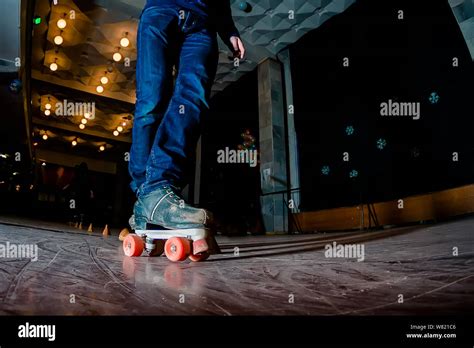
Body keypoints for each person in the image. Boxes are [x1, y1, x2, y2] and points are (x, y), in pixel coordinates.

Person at [128, 0, 245, 244]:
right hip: (161, 12)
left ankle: (160, 185)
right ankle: (145, 195)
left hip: (203, 25)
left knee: (193, 99)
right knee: (152, 101)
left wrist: (230, 31)